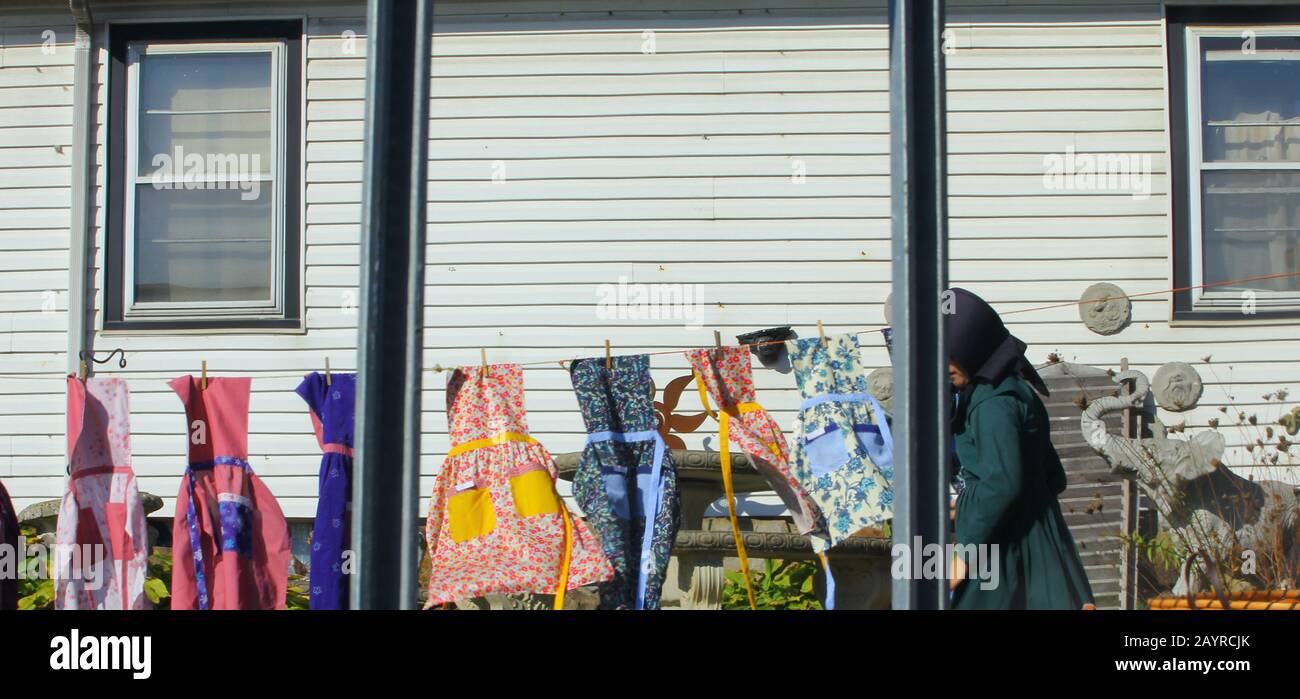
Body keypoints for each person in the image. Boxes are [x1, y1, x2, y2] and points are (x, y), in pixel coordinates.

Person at [945, 287, 1094, 609]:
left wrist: (965, 555)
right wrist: (966, 505)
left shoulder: (994, 404)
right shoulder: (1009, 390)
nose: (944, 364)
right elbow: (1052, 476)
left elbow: (1001, 483)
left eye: (949, 352)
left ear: (972, 344)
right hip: (1037, 538)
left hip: (1008, 549)